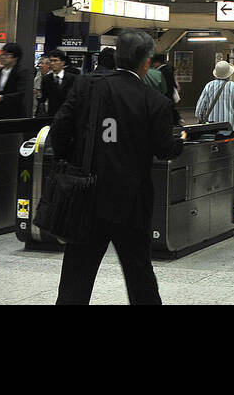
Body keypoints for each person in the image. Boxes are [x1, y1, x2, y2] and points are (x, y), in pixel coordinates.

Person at [52, 29, 186, 304]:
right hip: (131, 201)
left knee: (77, 273)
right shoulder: (154, 101)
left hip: (86, 195)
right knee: (139, 272)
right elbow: (164, 149)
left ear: (116, 56)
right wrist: (181, 139)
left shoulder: (86, 86)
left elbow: (59, 130)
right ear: (146, 62)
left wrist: (73, 161)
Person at [194, 60, 234, 133]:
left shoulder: (209, 86)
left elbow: (199, 109)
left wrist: (202, 119)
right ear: (229, 74)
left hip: (211, 125)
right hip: (231, 126)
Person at [0, 42, 29, 119]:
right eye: (3, 54)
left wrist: (2, 97)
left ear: (15, 57)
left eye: (7, 55)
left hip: (14, 112)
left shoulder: (21, 72)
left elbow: (20, 94)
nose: (3, 57)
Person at [39, 49, 76, 119]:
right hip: (51, 116)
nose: (52, 63)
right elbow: (43, 98)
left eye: (55, 60)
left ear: (62, 62)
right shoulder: (46, 79)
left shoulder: (72, 78)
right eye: (51, 61)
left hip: (68, 116)